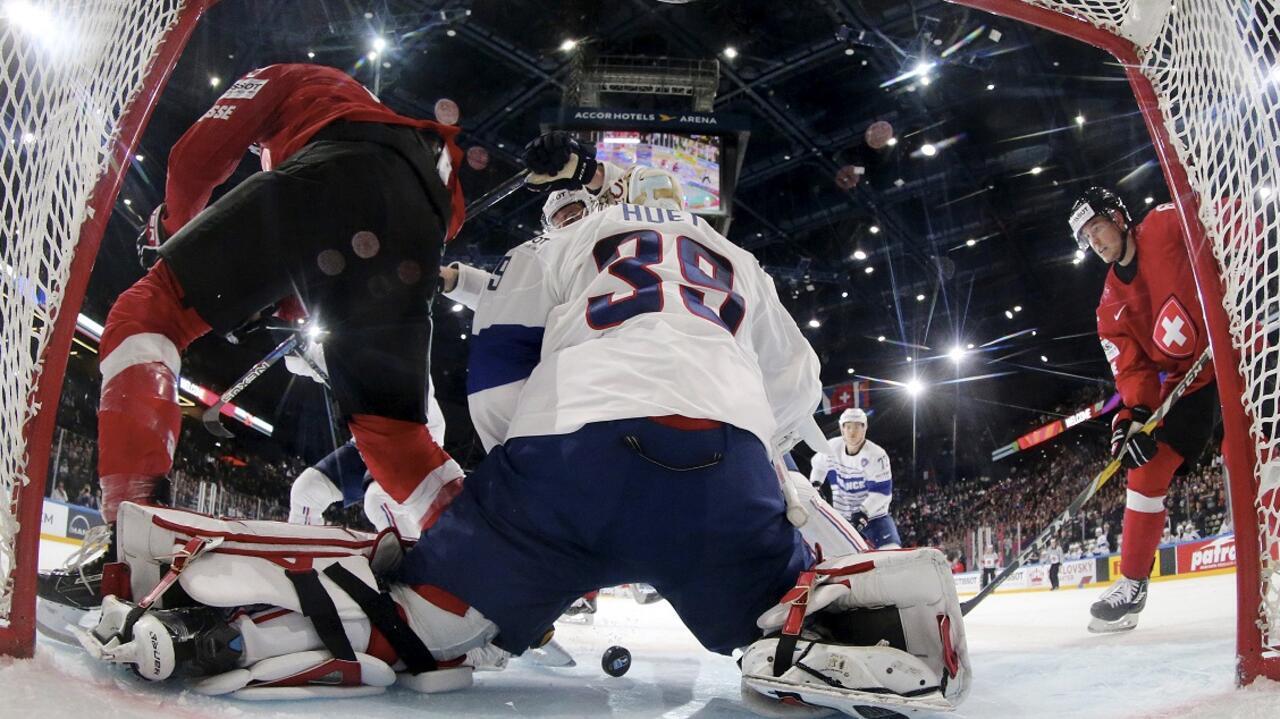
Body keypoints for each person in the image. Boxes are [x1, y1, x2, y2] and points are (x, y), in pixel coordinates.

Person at [73, 134, 970, 715]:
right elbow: (798, 392)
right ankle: (845, 629)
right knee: (774, 612)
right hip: (721, 480)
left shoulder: (560, 242)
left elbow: (497, 383)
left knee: (419, 626)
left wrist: (514, 493)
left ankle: (221, 619)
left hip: (564, 471)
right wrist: (733, 463)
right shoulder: (739, 258)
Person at [37, 63, 467, 610]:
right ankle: (483, 573)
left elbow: (196, 158)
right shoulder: (390, 126)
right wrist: (297, 288)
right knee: (393, 433)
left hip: (341, 169)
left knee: (147, 314)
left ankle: (129, 557)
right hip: (420, 223)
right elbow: (414, 229)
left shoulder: (294, 77)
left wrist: (174, 230)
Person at [1070, 187, 1218, 632]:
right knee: (1145, 469)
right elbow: (1133, 371)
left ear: (1119, 218)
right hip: (1188, 381)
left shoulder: (1164, 225)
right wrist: (1133, 418)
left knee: (1254, 453)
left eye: (1097, 227)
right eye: (1087, 237)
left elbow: (1225, 216)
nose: (1095, 241)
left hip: (1236, 354)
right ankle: (1133, 584)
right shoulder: (1109, 306)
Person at [808, 407, 901, 548]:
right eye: (848, 427)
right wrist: (816, 484)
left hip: (875, 518)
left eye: (857, 427)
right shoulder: (832, 447)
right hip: (843, 519)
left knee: (892, 552)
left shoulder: (877, 455)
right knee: (833, 555)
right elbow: (818, 465)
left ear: (865, 428)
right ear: (842, 429)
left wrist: (864, 511)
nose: (852, 432)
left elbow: (882, 492)